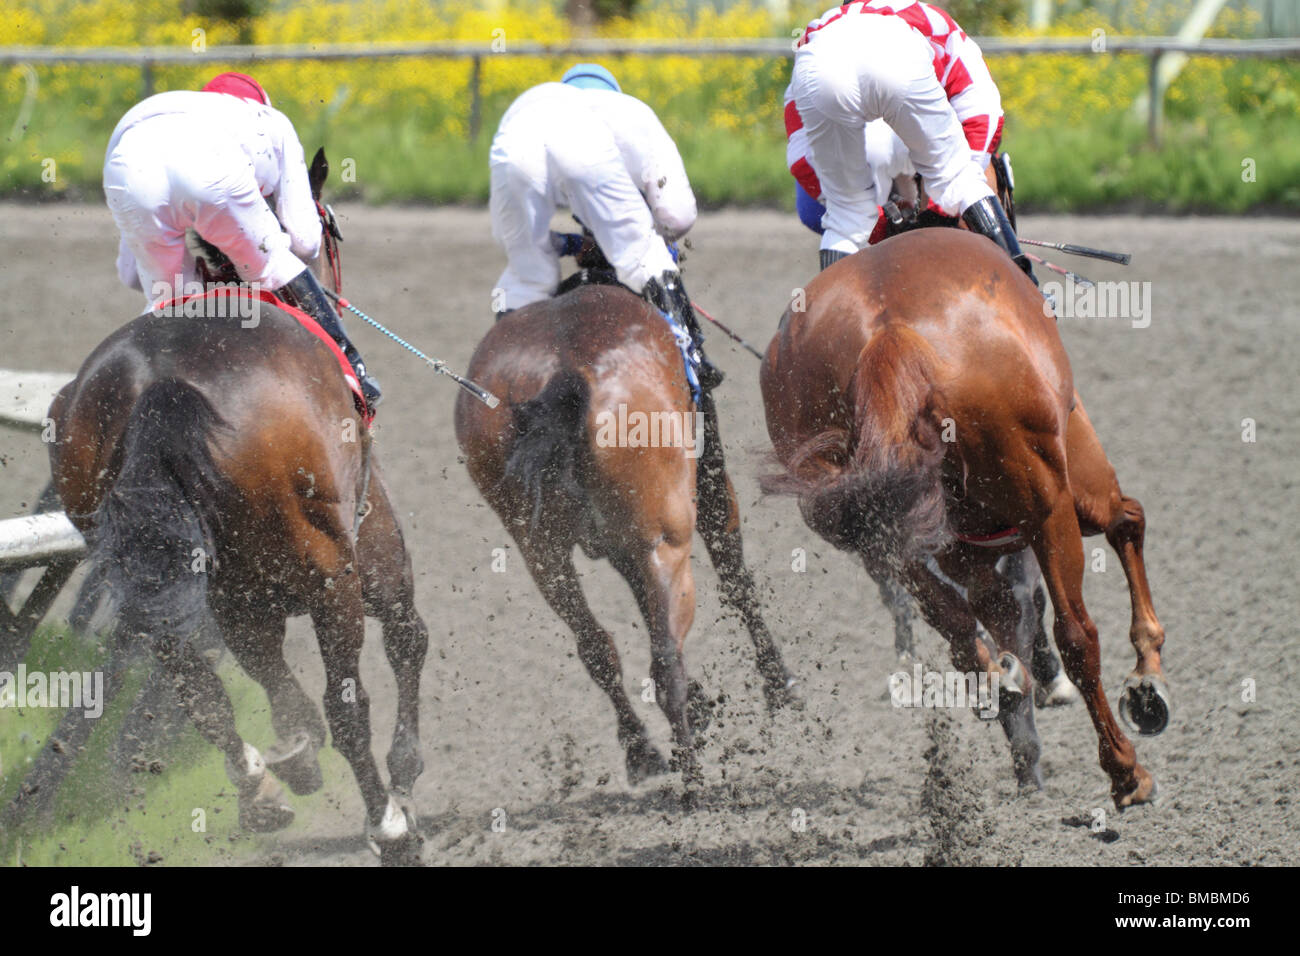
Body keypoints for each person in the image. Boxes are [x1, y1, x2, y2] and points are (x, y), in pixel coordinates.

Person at [102, 72, 382, 406]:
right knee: (275, 265)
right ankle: (354, 371)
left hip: (129, 165)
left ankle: (137, 398)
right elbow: (305, 241)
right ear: (259, 103)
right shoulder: (271, 121)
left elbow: (129, 275)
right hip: (212, 172)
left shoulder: (166, 109)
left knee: (168, 301)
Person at [488, 63, 723, 390]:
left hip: (516, 131)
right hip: (579, 147)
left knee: (525, 274)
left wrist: (568, 245)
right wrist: (657, 243)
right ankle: (694, 358)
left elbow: (521, 236)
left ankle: (507, 386)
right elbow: (677, 217)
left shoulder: (548, 105)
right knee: (644, 257)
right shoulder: (631, 113)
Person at [788, 1, 1033, 282]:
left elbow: (800, 156)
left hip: (821, 66)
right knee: (960, 178)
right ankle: (1026, 281)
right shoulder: (928, 16)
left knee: (845, 219)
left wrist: (879, 228)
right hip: (897, 57)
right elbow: (984, 110)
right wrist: (948, 207)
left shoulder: (817, 30)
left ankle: (829, 320)